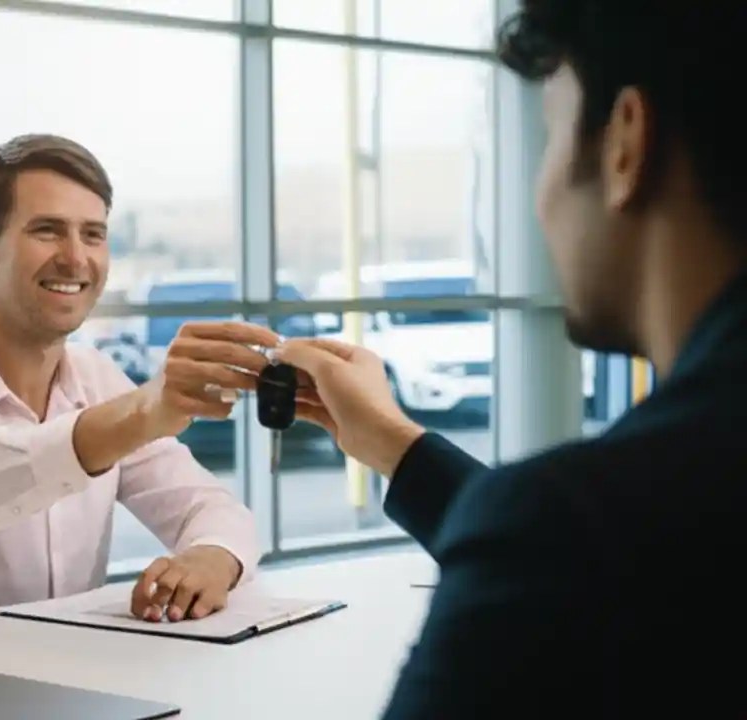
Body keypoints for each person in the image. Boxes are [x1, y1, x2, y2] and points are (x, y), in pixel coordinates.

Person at [268, 1, 747, 716]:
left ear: (625, 142)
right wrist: (397, 446)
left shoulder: (569, 533)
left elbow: (580, 552)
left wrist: (514, 527)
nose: (539, 198)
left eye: (549, 135)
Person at [0, 134, 275, 625]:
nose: (76, 258)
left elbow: (210, 507)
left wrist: (210, 558)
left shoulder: (98, 381)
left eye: (93, 234)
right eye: (48, 231)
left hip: (67, 674)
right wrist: (143, 413)